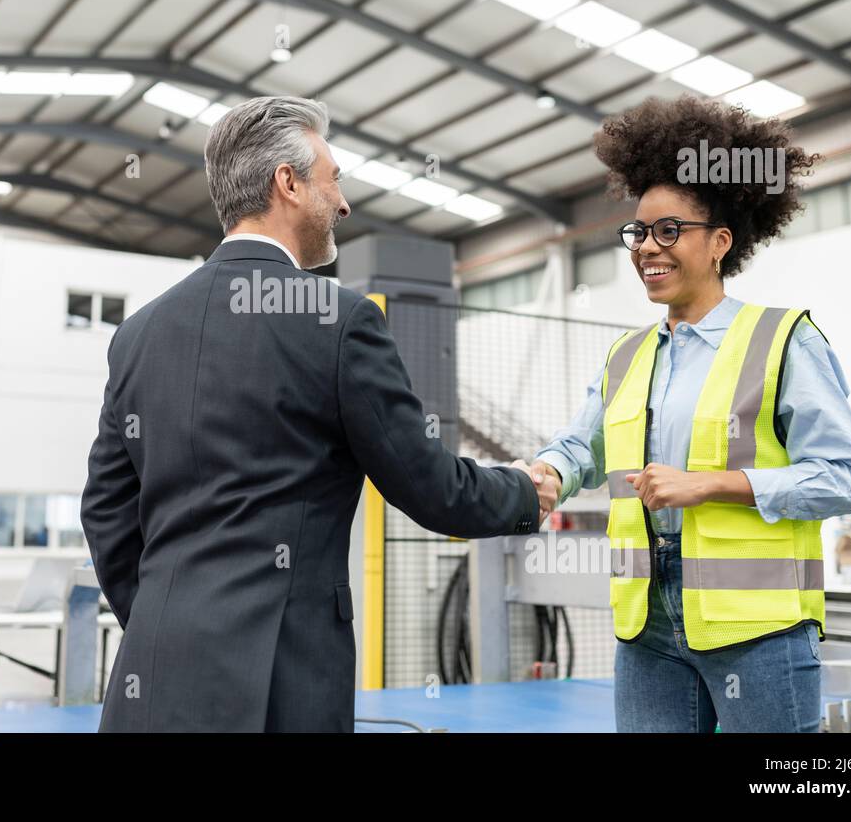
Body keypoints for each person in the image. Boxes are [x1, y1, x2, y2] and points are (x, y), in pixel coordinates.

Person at [81, 95, 553, 732]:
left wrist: (170, 618)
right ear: (288, 184)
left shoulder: (138, 333)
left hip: (152, 679)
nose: (344, 202)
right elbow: (432, 488)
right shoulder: (338, 321)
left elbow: (106, 510)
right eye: (334, 180)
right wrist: (524, 489)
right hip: (278, 683)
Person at [525, 95, 851, 733]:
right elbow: (582, 447)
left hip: (758, 631)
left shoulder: (784, 340)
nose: (646, 248)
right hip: (648, 629)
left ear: (719, 242)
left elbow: (847, 475)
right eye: (638, 232)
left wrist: (714, 484)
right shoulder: (627, 355)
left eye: (668, 231)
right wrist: (549, 472)